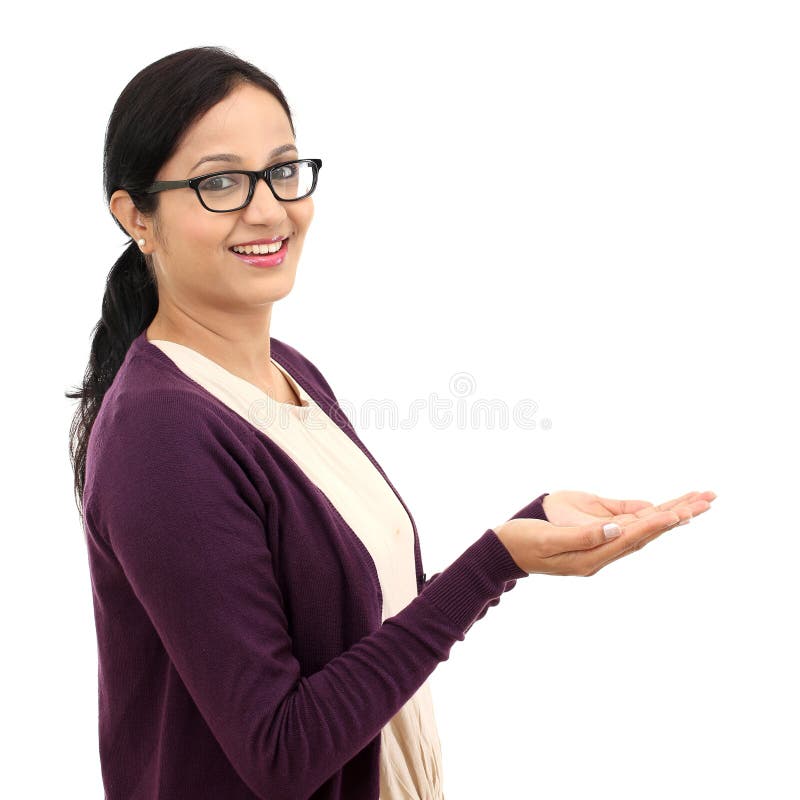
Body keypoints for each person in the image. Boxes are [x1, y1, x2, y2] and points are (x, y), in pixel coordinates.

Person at [66, 46, 716, 800]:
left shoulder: (289, 372)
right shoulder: (161, 435)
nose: (270, 209)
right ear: (135, 216)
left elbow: (360, 633)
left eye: (281, 170)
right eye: (219, 183)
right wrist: (494, 563)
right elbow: (281, 751)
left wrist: (527, 530)